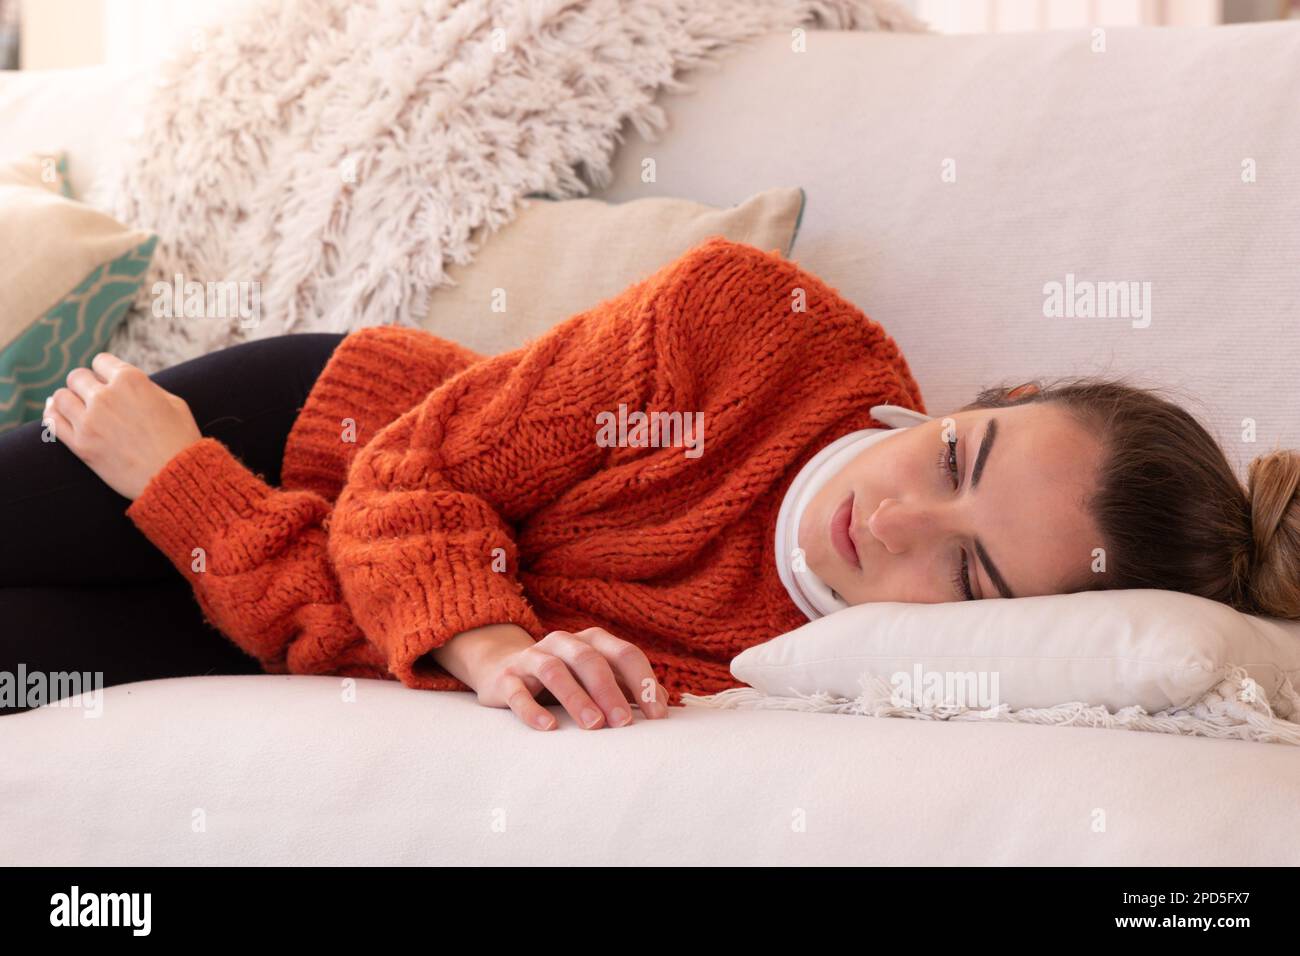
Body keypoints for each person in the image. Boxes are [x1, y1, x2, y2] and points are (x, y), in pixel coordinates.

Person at [3, 237, 1295, 725]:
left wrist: (192, 505)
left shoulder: (781, 677)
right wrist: (497, 645)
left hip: (265, 588)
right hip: (306, 433)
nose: (891, 516)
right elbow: (417, 473)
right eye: (957, 459)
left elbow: (350, 641)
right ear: (987, 401)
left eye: (964, 570)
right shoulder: (757, 325)